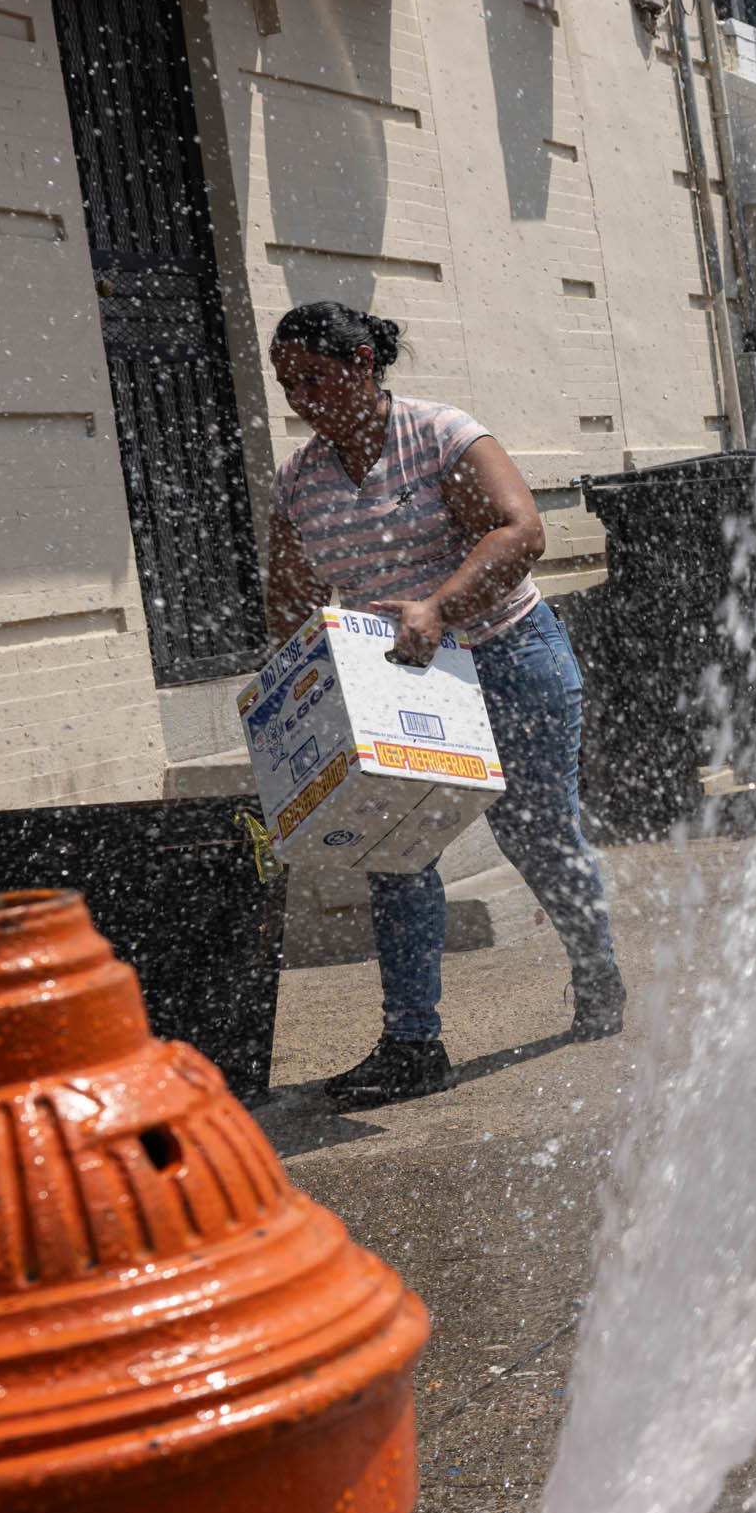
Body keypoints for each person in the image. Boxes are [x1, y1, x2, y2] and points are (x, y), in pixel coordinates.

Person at [264, 301, 624, 1108]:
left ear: (362, 363)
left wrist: (437, 607)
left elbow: (520, 531)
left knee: (537, 834)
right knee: (396, 853)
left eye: (316, 378)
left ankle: (596, 969)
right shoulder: (299, 482)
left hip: (508, 655)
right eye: (288, 384)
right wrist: (298, 695)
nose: (301, 399)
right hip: (398, 683)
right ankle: (412, 1043)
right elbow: (289, 604)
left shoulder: (440, 435)